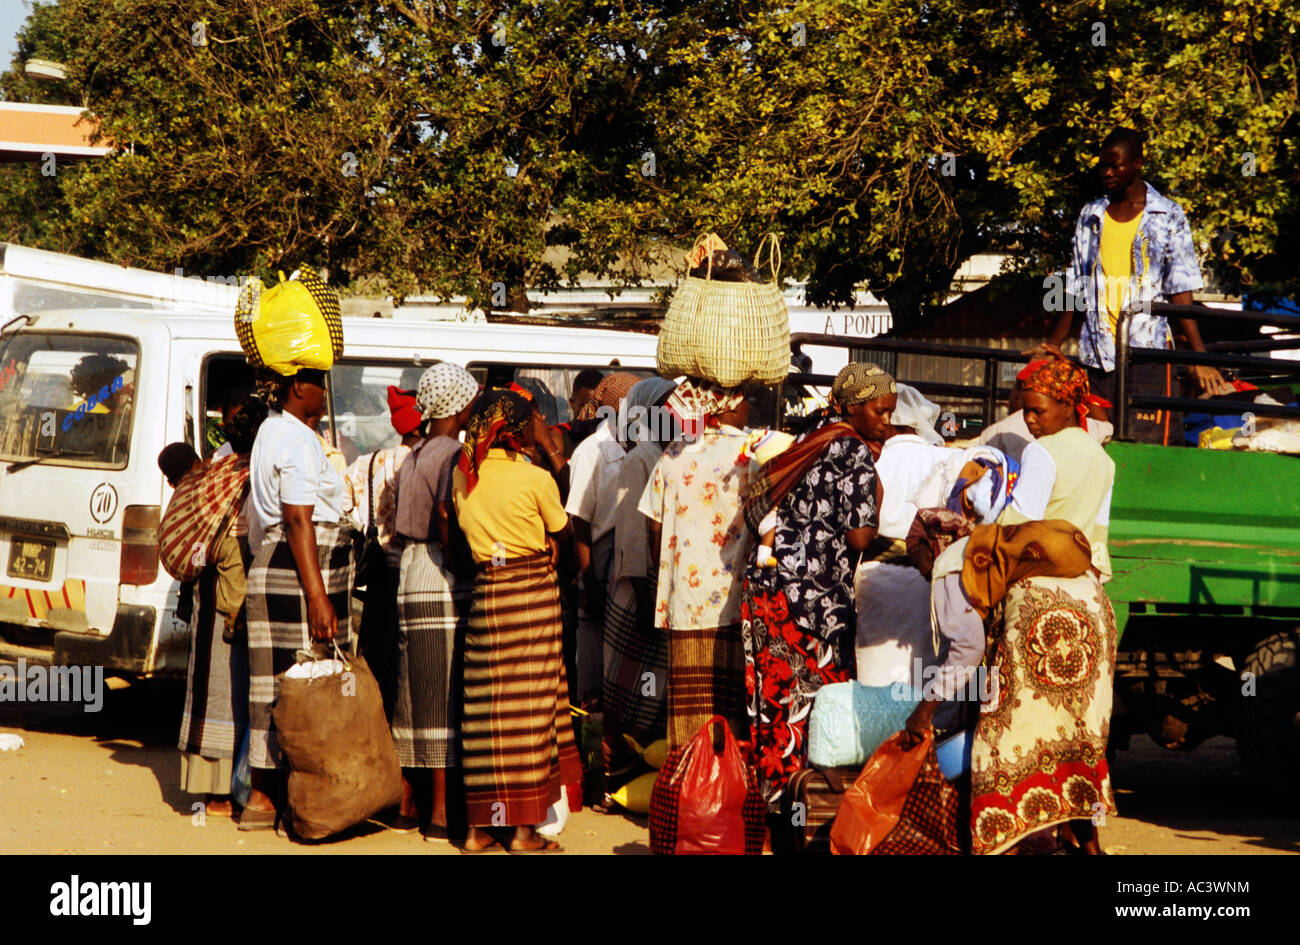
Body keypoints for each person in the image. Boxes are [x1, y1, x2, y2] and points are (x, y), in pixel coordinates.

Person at [740, 363, 887, 808]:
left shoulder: (808, 437)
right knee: (816, 710)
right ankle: (805, 814)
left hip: (768, 588)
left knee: (771, 707)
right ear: (854, 406)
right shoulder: (851, 449)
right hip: (813, 603)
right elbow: (860, 535)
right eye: (879, 411)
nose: (885, 421)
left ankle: (767, 816)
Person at [1034, 127, 1231, 444]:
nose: (1107, 172)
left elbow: (1181, 289)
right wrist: (1055, 344)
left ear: (1138, 163)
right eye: (1103, 166)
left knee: (1150, 447)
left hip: (1146, 358)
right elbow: (1077, 285)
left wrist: (1198, 357)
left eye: (1116, 165)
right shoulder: (1091, 215)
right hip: (1097, 359)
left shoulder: (1167, 214)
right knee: (1099, 447)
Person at [452, 389, 582, 853]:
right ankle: (524, 832)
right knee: (531, 713)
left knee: (486, 713)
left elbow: (459, 538)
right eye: (530, 423)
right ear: (516, 430)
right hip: (533, 603)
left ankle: (479, 829)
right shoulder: (534, 479)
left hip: (488, 598)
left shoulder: (463, 474)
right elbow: (563, 533)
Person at [241, 368, 354, 832]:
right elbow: (297, 519)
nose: (324, 392)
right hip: (306, 568)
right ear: (296, 388)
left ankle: (263, 799)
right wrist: (317, 597)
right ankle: (308, 802)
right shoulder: (299, 440)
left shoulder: (270, 431)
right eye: (317, 383)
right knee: (313, 688)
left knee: (273, 686)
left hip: (274, 562)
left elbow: (259, 520)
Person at [638, 379, 768, 750]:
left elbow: (654, 527)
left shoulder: (674, 455)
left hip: (685, 601)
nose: (748, 409)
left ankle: (688, 784)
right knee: (733, 703)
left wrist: (663, 579)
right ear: (726, 405)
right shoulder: (750, 454)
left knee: (688, 706)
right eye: (745, 401)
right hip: (735, 600)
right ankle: (731, 785)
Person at [389, 362, 480, 842]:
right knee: (443, 693)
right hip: (440, 572)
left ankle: (408, 803)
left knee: (412, 691)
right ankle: (442, 814)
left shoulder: (414, 451)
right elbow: (449, 516)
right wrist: (467, 568)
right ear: (460, 405)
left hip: (410, 569)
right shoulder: (453, 453)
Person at [171, 400, 265, 821]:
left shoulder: (213, 473)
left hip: (210, 595)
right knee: (229, 691)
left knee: (214, 690)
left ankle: (212, 792)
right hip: (232, 602)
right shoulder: (250, 477)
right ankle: (224, 795)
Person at [599, 377, 678, 789]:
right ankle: (614, 782)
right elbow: (633, 542)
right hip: (639, 593)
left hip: (661, 592)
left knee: (655, 696)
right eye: (670, 406)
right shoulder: (640, 460)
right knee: (627, 696)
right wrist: (652, 603)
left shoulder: (675, 457)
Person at [854, 382, 955, 689]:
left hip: (874, 579)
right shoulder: (945, 460)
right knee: (923, 670)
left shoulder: (869, 458)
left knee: (874, 674)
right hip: (927, 580)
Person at [343, 386, 425, 722]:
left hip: (376, 578)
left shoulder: (368, 462)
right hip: (414, 574)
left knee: (374, 660)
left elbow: (343, 512)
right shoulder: (427, 463)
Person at [999, 360, 1116, 579]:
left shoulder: (1041, 450)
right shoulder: (1104, 459)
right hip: (1083, 574)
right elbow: (1099, 534)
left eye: (1038, 411)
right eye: (1025, 411)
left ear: (1067, 408)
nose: (1029, 420)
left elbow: (1020, 522)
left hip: (1041, 571)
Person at [566, 371, 641, 628]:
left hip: (629, 571)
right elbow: (580, 523)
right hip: (598, 569)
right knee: (595, 660)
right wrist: (590, 584)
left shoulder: (640, 446)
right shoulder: (590, 451)